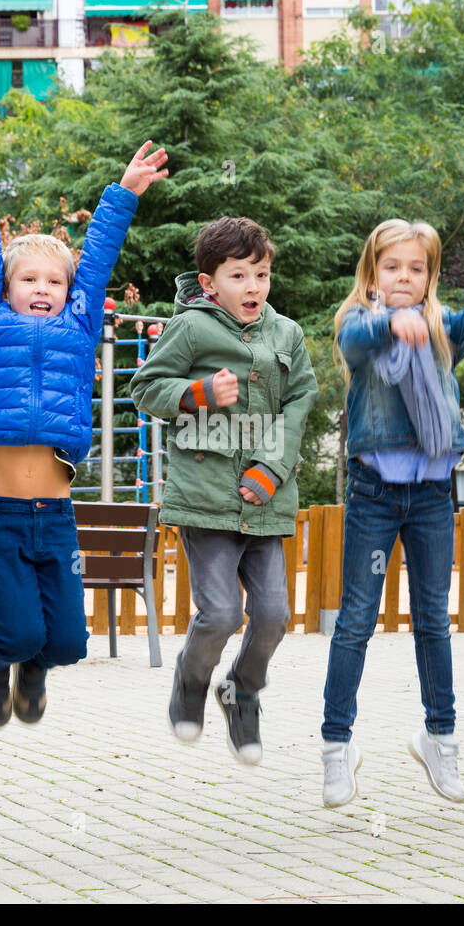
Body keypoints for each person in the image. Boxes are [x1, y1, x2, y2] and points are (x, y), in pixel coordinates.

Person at [0, 128, 167, 728]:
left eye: (54, 281)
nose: (42, 289)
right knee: (22, 630)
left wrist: (125, 193)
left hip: (55, 516)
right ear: (6, 289)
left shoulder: (80, 324)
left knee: (67, 644)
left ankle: (31, 668)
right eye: (29, 279)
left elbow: (100, 255)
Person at [321, 218, 464, 807]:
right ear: (372, 272)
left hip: (433, 496)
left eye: (416, 268)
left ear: (430, 276)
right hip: (375, 495)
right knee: (356, 618)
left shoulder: (441, 330)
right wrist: (390, 322)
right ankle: (336, 746)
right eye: (392, 267)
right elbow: (356, 344)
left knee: (433, 618)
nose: (404, 277)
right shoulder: (360, 324)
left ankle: (440, 738)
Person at [130, 217, 318, 765]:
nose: (254, 287)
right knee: (218, 615)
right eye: (239, 276)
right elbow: (145, 388)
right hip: (207, 498)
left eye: (261, 274)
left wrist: (272, 469)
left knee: (275, 615)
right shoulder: (190, 328)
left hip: (265, 499)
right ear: (210, 283)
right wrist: (197, 392)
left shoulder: (287, 335)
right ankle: (191, 682)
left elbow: (299, 402)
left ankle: (242, 691)